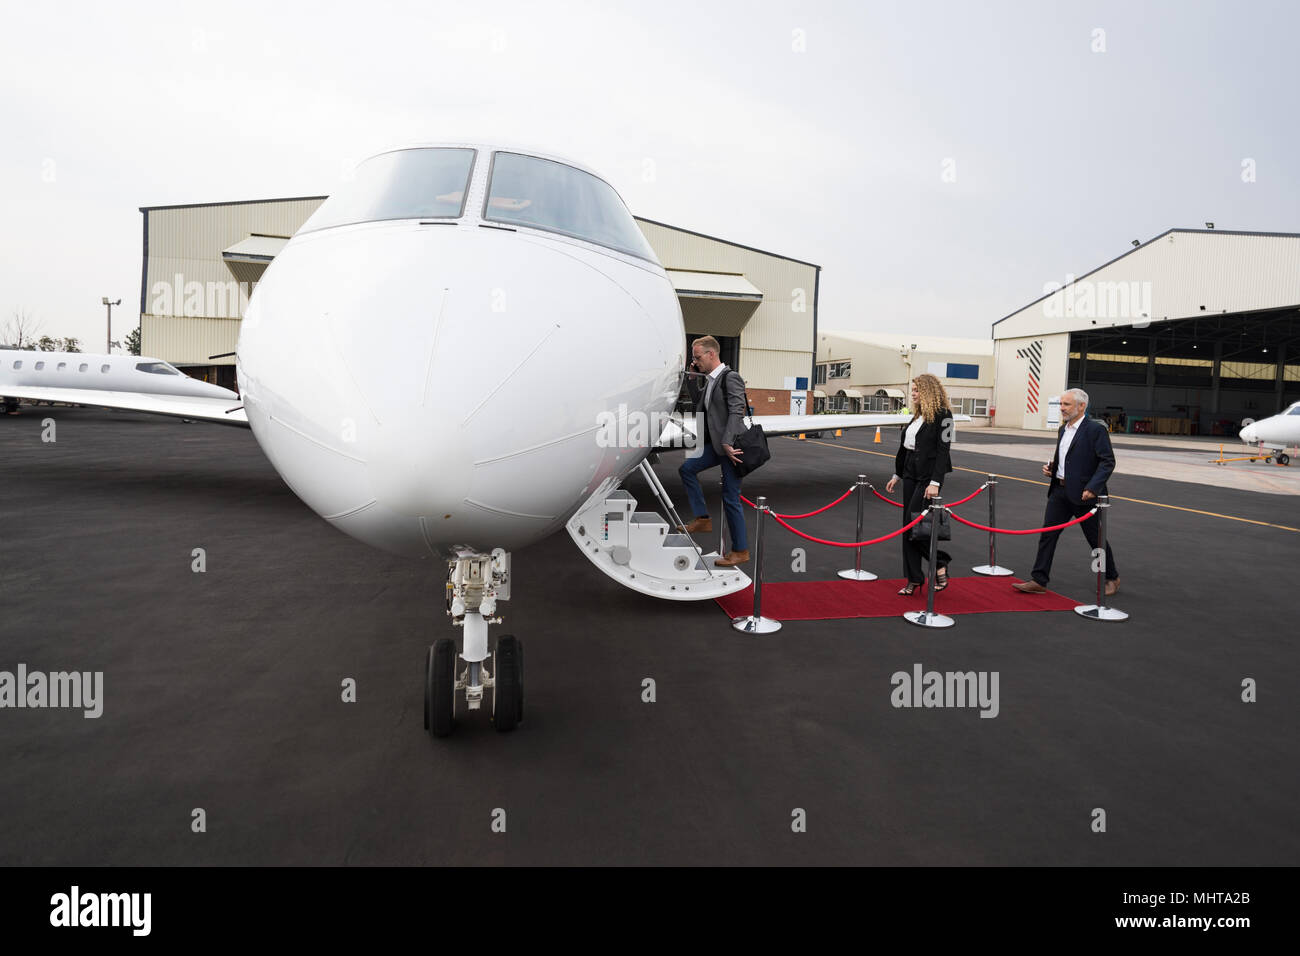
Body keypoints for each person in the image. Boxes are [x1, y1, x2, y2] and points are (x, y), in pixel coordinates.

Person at [1014, 387, 1120, 596]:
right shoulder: (1064, 429)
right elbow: (1070, 459)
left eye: (1066, 404)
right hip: (1059, 493)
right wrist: (1054, 469)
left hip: (1085, 496)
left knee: (1095, 539)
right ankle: (1039, 579)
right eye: (1061, 404)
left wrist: (1092, 487)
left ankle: (1111, 577)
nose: (1061, 408)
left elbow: (1107, 462)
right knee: (1048, 535)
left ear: (1082, 406)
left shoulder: (1095, 430)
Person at [677, 335, 750, 567]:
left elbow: (737, 409)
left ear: (711, 354)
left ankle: (740, 550)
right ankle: (702, 519)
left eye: (698, 357)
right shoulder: (710, 381)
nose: (696, 361)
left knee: (731, 498)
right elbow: (700, 401)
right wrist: (691, 377)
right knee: (687, 469)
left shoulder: (731, 378)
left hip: (731, 448)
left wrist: (728, 442)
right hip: (718, 446)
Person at [884, 374, 954, 595]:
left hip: (927, 478)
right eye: (912, 390)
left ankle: (940, 561)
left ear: (928, 391)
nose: (912, 393)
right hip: (910, 473)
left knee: (914, 526)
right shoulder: (917, 416)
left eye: (916, 390)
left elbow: (944, 453)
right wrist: (897, 475)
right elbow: (906, 448)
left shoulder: (945, 416)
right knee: (907, 528)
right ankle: (914, 578)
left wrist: (935, 482)